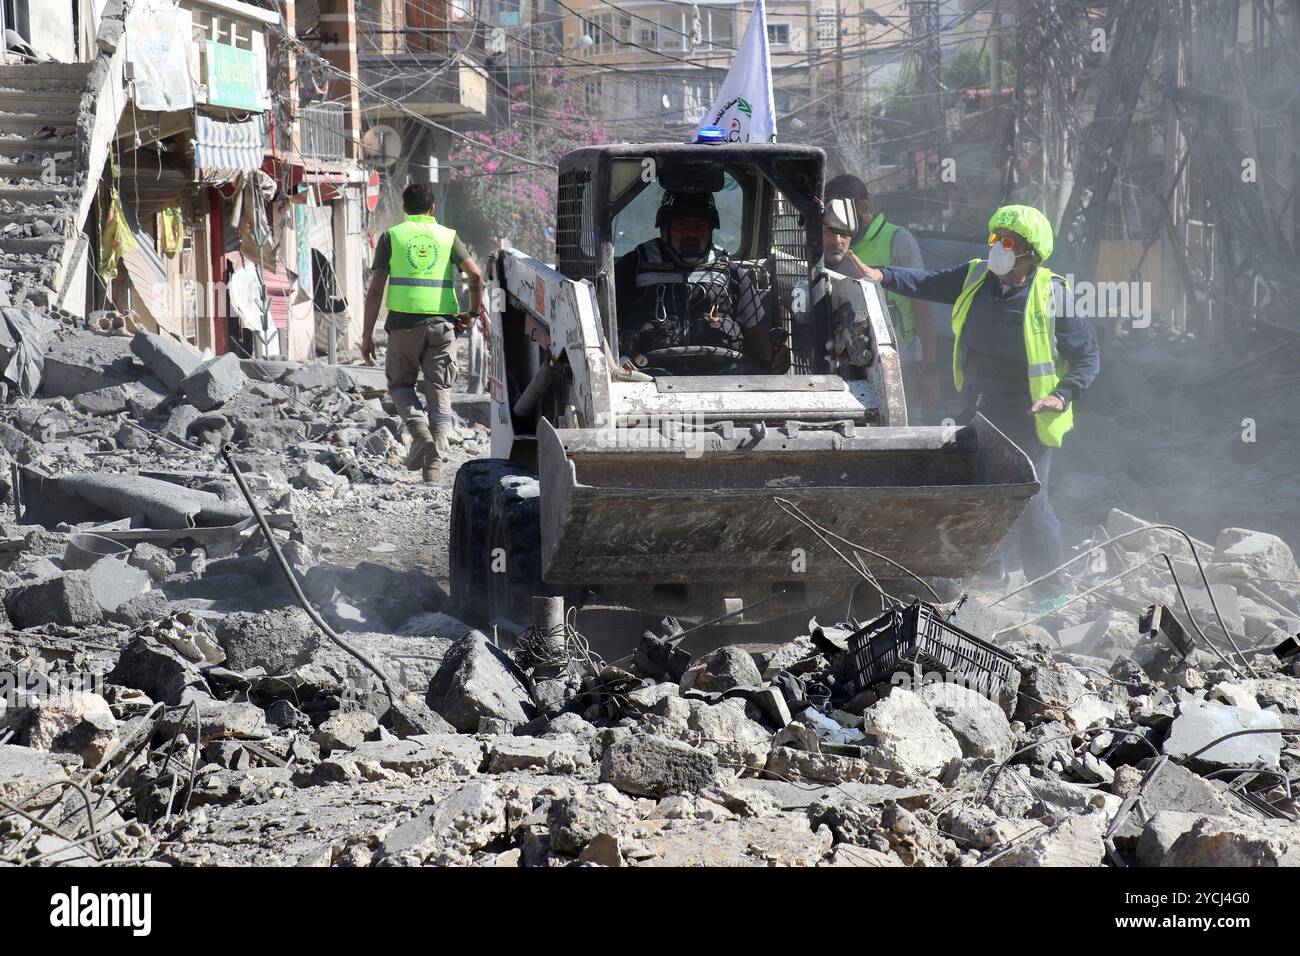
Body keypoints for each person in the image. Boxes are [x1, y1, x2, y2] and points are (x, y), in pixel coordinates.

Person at [855, 204, 1100, 602]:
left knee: (1029, 498)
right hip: (982, 404)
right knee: (984, 488)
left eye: (1007, 243)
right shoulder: (975, 276)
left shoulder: (1053, 294)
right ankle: (992, 571)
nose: (996, 249)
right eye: (994, 239)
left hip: (1030, 411)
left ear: (1030, 252)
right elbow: (927, 282)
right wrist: (880, 275)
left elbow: (1088, 355)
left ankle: (1051, 591)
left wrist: (1062, 394)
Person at [362, 183, 485, 481]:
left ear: (405, 209)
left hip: (403, 327)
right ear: (432, 209)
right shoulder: (448, 237)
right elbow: (476, 275)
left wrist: (367, 335)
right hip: (443, 326)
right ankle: (433, 465)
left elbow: (376, 287)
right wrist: (471, 313)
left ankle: (421, 437)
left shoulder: (391, 237)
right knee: (439, 389)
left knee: (401, 386)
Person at [614, 190, 788, 373]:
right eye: (681, 225)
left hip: (726, 381)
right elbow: (603, 330)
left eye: (700, 226)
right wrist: (621, 359)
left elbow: (758, 336)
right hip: (649, 378)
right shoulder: (633, 267)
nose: (690, 233)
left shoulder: (731, 272)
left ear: (711, 230)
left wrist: (775, 356)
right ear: (664, 228)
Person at [825, 174, 941, 415]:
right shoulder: (833, 246)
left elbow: (924, 313)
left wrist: (930, 371)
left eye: (842, 214)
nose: (837, 225)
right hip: (851, 366)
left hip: (902, 365)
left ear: (863, 207)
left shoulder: (898, 241)